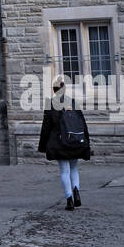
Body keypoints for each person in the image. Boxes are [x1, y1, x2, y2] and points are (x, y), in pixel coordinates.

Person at [38, 74, 91, 210]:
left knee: (64, 172)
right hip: (75, 141)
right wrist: (86, 141)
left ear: (54, 90)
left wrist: (43, 145)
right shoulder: (73, 102)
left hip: (60, 143)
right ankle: (77, 192)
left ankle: (69, 199)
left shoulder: (50, 104)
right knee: (74, 169)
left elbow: (46, 127)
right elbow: (82, 124)